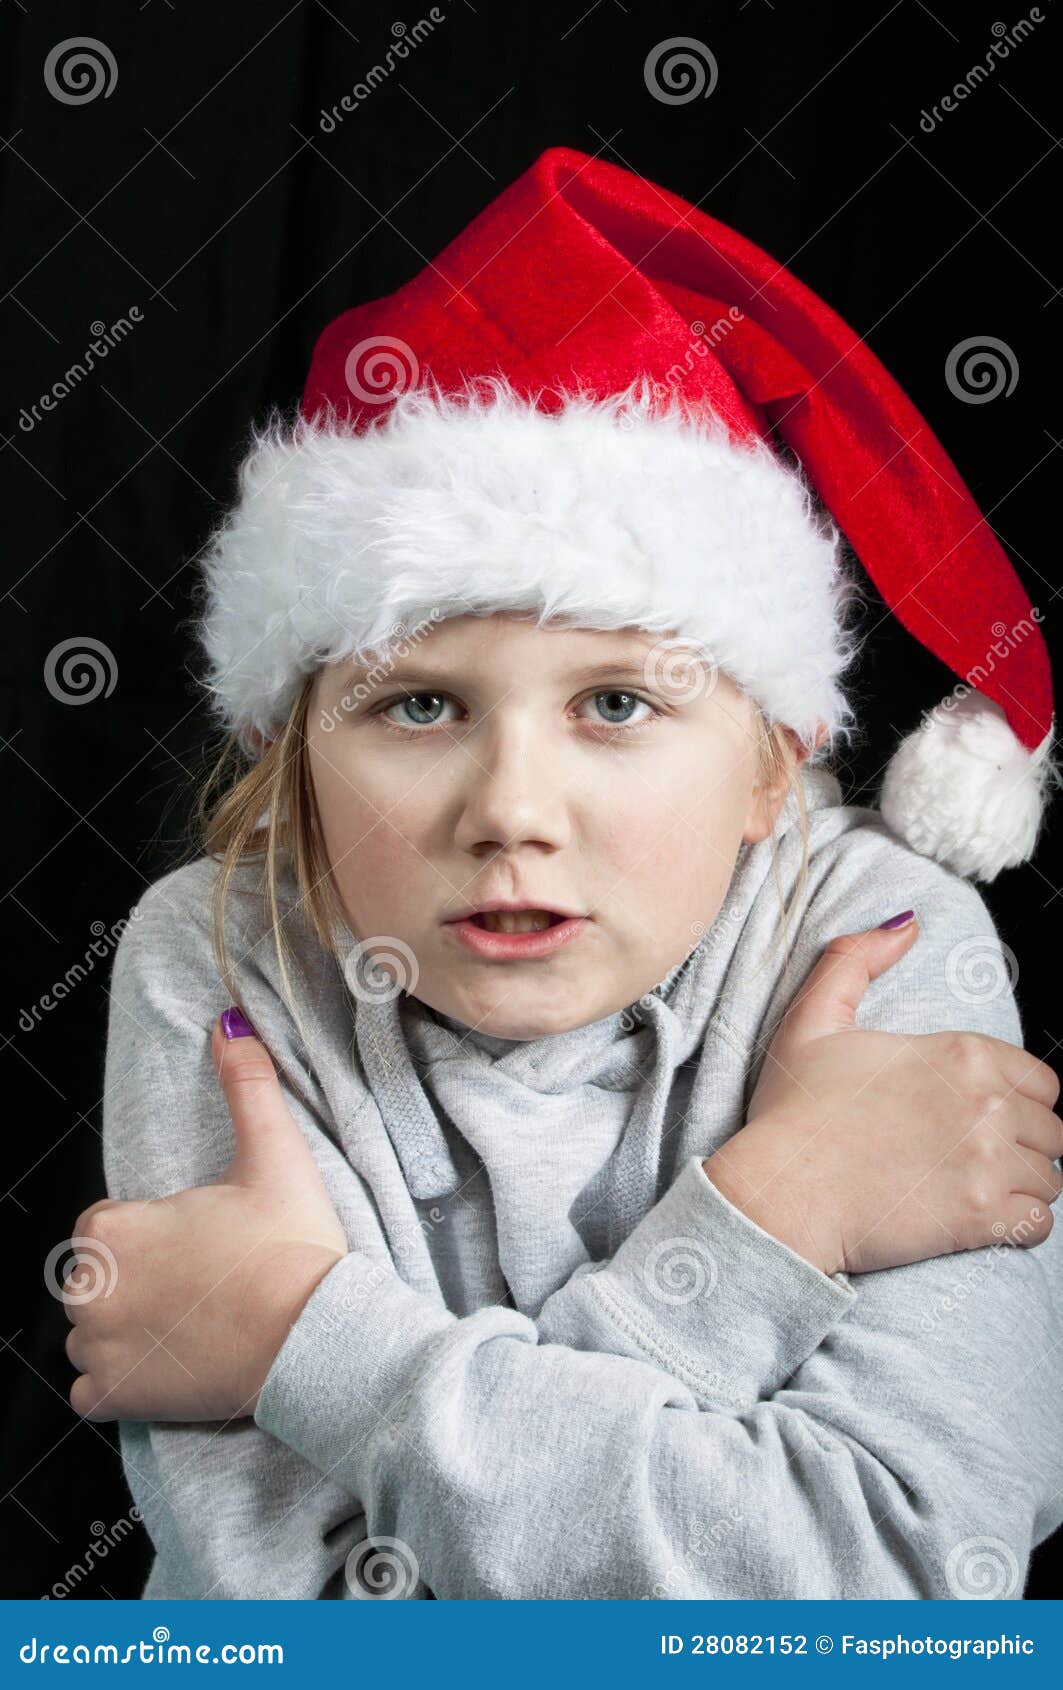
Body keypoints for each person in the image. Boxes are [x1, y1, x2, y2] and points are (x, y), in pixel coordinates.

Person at [62, 146, 1062, 1601]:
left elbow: (902, 1588)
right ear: (296, 745)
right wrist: (780, 1218)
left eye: (617, 703)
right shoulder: (218, 960)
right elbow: (313, 1631)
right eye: (419, 705)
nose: (513, 811)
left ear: (775, 759)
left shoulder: (893, 941)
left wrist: (300, 1335)